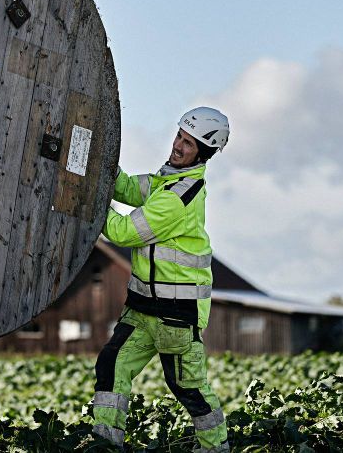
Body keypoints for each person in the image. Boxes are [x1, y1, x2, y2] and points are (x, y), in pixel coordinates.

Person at [92, 107, 230, 452]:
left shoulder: (177, 197)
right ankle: (106, 444)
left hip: (175, 315)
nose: (178, 146)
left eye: (189, 143)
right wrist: (98, 162)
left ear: (204, 153)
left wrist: (89, 203)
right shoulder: (164, 181)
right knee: (112, 365)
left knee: (188, 386)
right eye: (179, 136)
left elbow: (123, 232)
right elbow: (124, 186)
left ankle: (215, 448)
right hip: (142, 309)